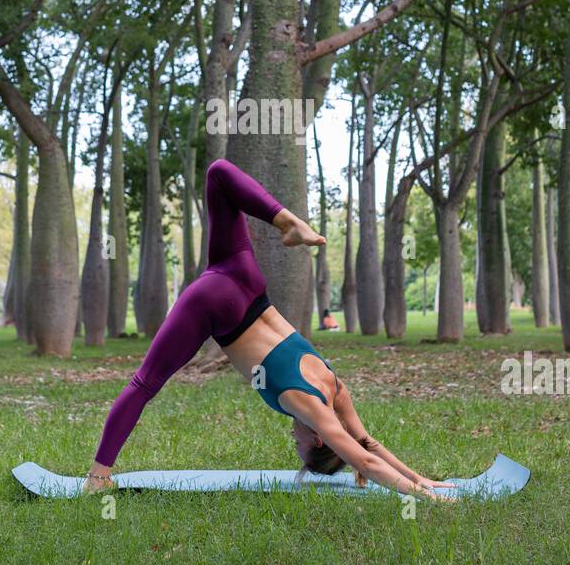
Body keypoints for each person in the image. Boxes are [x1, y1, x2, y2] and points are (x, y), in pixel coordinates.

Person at [84, 161, 450, 501]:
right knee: (144, 384)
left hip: (244, 278)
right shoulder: (309, 408)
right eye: (300, 448)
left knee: (218, 173)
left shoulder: (335, 388)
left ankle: (287, 221)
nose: (293, 439)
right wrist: (422, 494)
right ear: (319, 441)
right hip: (216, 308)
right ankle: (98, 477)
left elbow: (368, 443)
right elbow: (366, 458)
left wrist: (419, 476)